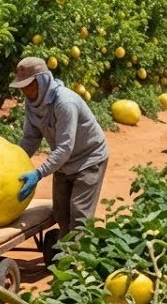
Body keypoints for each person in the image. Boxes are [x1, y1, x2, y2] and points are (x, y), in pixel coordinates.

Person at [13, 57, 110, 257]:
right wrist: (12, 161)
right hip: (63, 163)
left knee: (79, 214)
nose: (25, 92)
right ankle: (68, 255)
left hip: (88, 158)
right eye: (22, 88)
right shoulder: (32, 104)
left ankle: (80, 266)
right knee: (61, 214)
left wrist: (38, 173)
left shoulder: (65, 102)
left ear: (41, 81)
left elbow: (66, 146)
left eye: (29, 86)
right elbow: (31, 138)